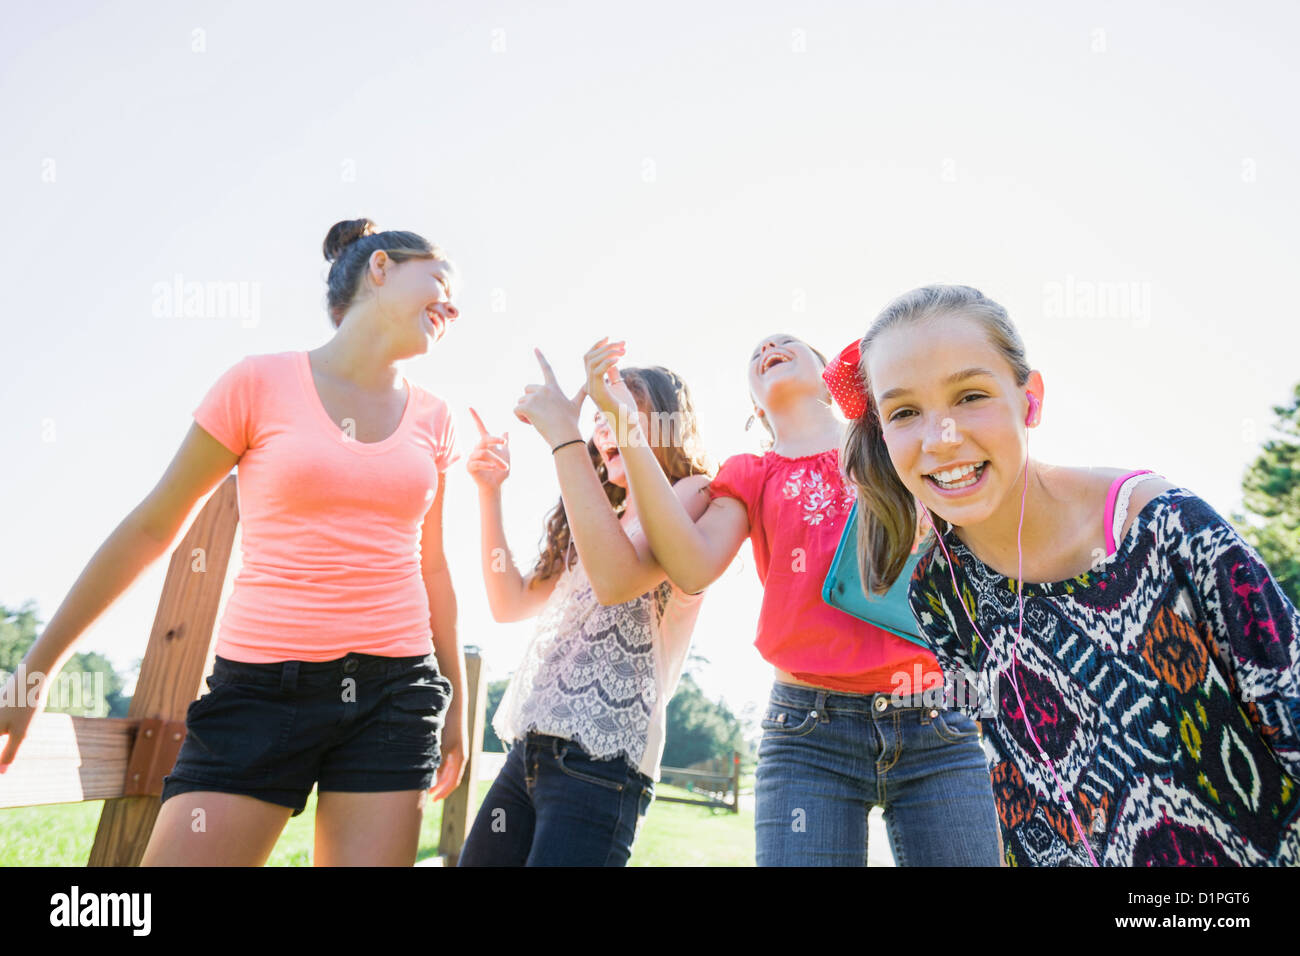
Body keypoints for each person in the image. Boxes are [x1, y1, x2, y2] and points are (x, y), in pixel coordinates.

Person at [1, 217, 467, 866]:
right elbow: (152, 525)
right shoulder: (258, 383)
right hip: (260, 692)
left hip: (395, 695)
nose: (453, 303)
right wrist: (36, 671)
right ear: (381, 267)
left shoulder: (436, 418)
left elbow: (434, 569)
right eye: (441, 280)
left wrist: (456, 707)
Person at [845, 283, 1300, 866]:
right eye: (905, 411)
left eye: (970, 395)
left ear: (1029, 399)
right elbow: (1024, 792)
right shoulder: (939, 592)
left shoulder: (1166, 527)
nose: (942, 438)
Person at [582, 335, 1002, 866]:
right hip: (808, 732)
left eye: (790, 343)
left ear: (831, 377)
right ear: (756, 405)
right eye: (755, 351)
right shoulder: (749, 475)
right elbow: (691, 566)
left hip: (936, 717)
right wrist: (626, 428)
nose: (769, 345)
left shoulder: (889, 444)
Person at [458, 349, 712, 866]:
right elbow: (508, 602)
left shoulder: (695, 493)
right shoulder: (599, 517)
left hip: (604, 763)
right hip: (529, 750)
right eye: (597, 418)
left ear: (665, 423)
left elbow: (619, 580)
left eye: (619, 409)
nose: (602, 426)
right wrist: (490, 493)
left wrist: (563, 437)